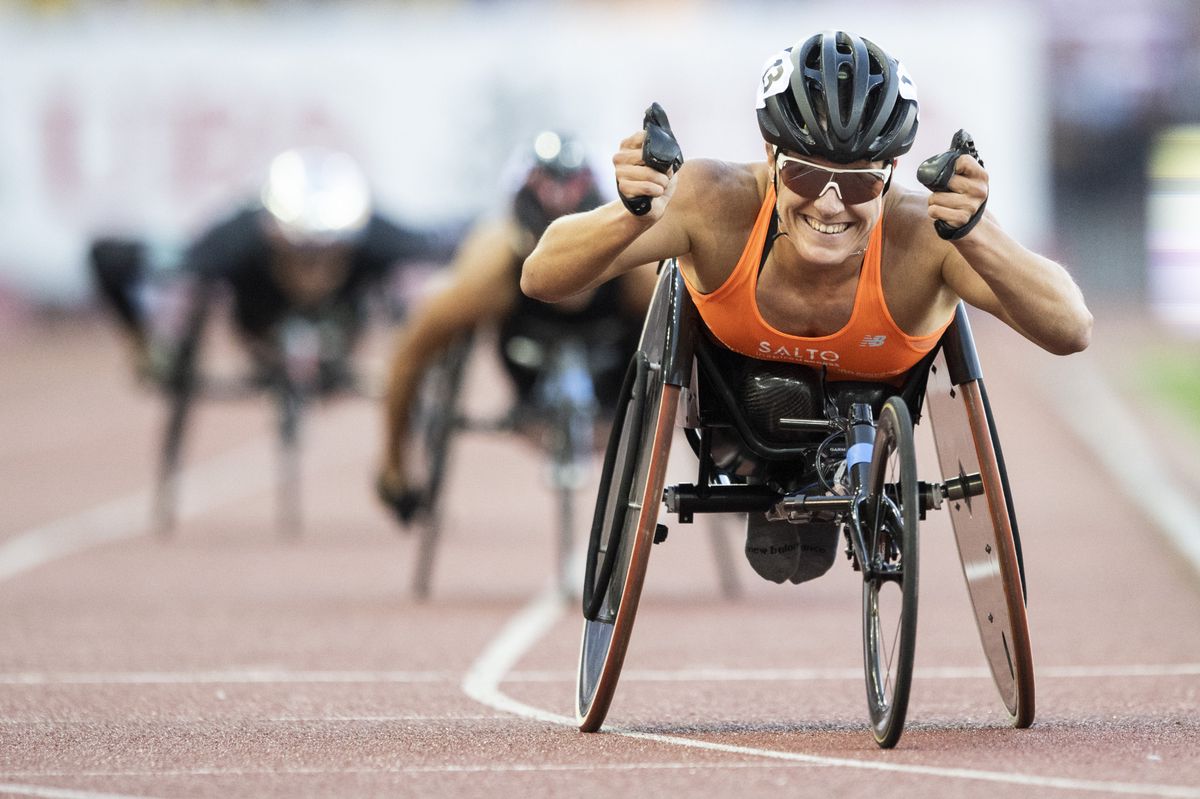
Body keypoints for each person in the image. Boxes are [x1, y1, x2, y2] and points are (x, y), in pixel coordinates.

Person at [521, 31, 1093, 584]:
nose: (830, 202)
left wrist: (977, 235)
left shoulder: (927, 235)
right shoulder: (713, 202)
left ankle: (834, 470)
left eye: (860, 185)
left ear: (891, 173)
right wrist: (631, 216)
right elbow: (541, 276)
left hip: (871, 416)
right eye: (804, 174)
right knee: (767, 394)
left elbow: (1071, 329)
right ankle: (781, 484)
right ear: (770, 155)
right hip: (736, 423)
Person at [376, 131, 656, 523]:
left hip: (617, 373)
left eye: (577, 245)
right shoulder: (489, 269)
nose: (566, 271)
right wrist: (393, 469)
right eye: (550, 245)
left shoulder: (638, 267)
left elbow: (702, 334)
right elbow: (411, 354)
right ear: (521, 234)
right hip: (525, 367)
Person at [91, 146, 460, 393]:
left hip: (346, 322)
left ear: (353, 240)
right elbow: (110, 257)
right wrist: (142, 342)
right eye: (300, 251)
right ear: (272, 235)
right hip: (259, 322)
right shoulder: (235, 241)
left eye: (331, 251)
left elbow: (454, 243)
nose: (314, 268)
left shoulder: (379, 238)